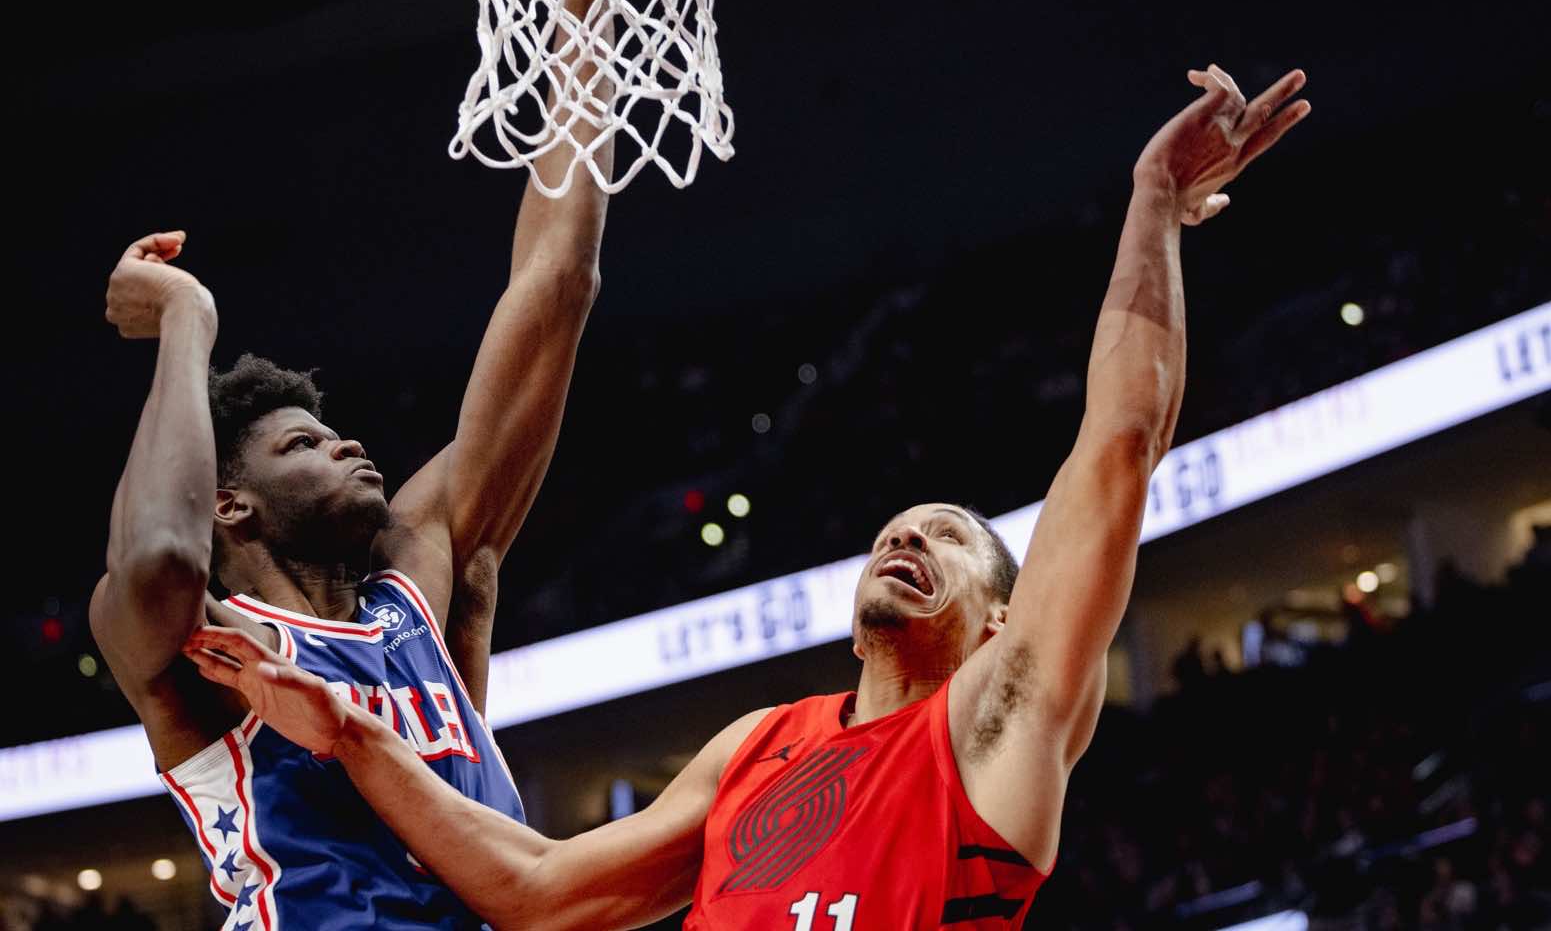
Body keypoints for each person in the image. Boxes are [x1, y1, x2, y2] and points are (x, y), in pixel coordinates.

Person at [185, 63, 1311, 930]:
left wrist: (1152, 209)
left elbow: (1119, 443)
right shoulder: (759, 746)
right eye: (896, 524)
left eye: (954, 534)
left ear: (1005, 620)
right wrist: (347, 733)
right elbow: (536, 889)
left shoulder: (995, 724)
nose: (908, 532)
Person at [91, 0, 614, 929]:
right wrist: (189, 319)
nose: (349, 446)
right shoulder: (206, 651)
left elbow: (556, 282)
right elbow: (156, 557)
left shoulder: (423, 576)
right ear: (230, 503)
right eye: (303, 445)